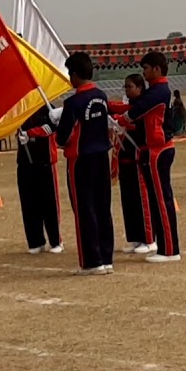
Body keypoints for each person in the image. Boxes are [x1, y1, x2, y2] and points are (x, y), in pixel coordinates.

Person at [55, 52, 115, 275]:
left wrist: (57, 124)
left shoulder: (73, 102)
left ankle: (92, 261)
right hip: (101, 156)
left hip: (80, 159)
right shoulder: (101, 95)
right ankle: (106, 257)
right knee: (102, 207)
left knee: (84, 209)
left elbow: (63, 137)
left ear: (76, 75)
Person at [124, 51, 180, 262]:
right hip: (153, 148)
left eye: (146, 68)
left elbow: (134, 110)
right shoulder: (155, 90)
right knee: (158, 200)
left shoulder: (158, 91)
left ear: (156, 68)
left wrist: (121, 118)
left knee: (161, 199)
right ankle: (165, 246)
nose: (144, 73)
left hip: (159, 149)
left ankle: (170, 250)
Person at [113, 74, 153, 253]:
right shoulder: (130, 106)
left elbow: (126, 112)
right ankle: (136, 237)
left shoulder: (141, 106)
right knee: (128, 200)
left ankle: (149, 238)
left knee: (141, 199)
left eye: (129, 87)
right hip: (125, 158)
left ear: (139, 88)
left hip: (138, 157)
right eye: (125, 87)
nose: (127, 90)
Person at [17, 104, 64, 255]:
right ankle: (35, 240)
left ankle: (56, 240)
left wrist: (31, 133)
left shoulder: (46, 107)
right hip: (25, 161)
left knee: (49, 202)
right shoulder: (19, 107)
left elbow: (52, 127)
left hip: (45, 160)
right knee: (29, 202)